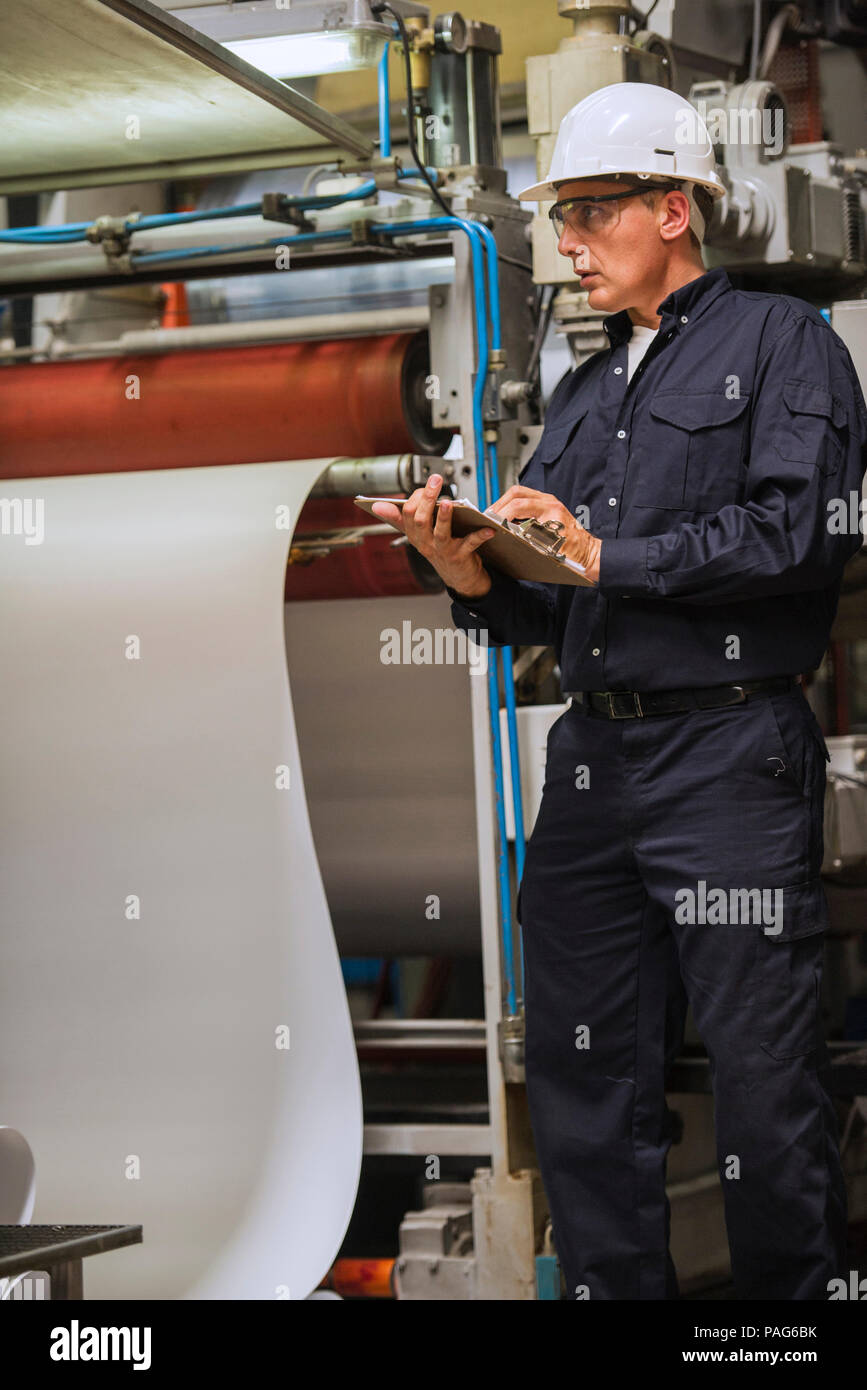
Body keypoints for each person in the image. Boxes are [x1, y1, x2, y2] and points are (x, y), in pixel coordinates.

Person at [372, 82, 867, 1299]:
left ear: (674, 208)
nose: (569, 243)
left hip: (731, 756)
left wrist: (606, 553)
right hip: (596, 771)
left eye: (593, 213)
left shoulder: (783, 344)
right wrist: (469, 568)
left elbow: (801, 535)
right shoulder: (590, 393)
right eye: (562, 218)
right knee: (584, 1085)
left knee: (762, 1084)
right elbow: (552, 607)